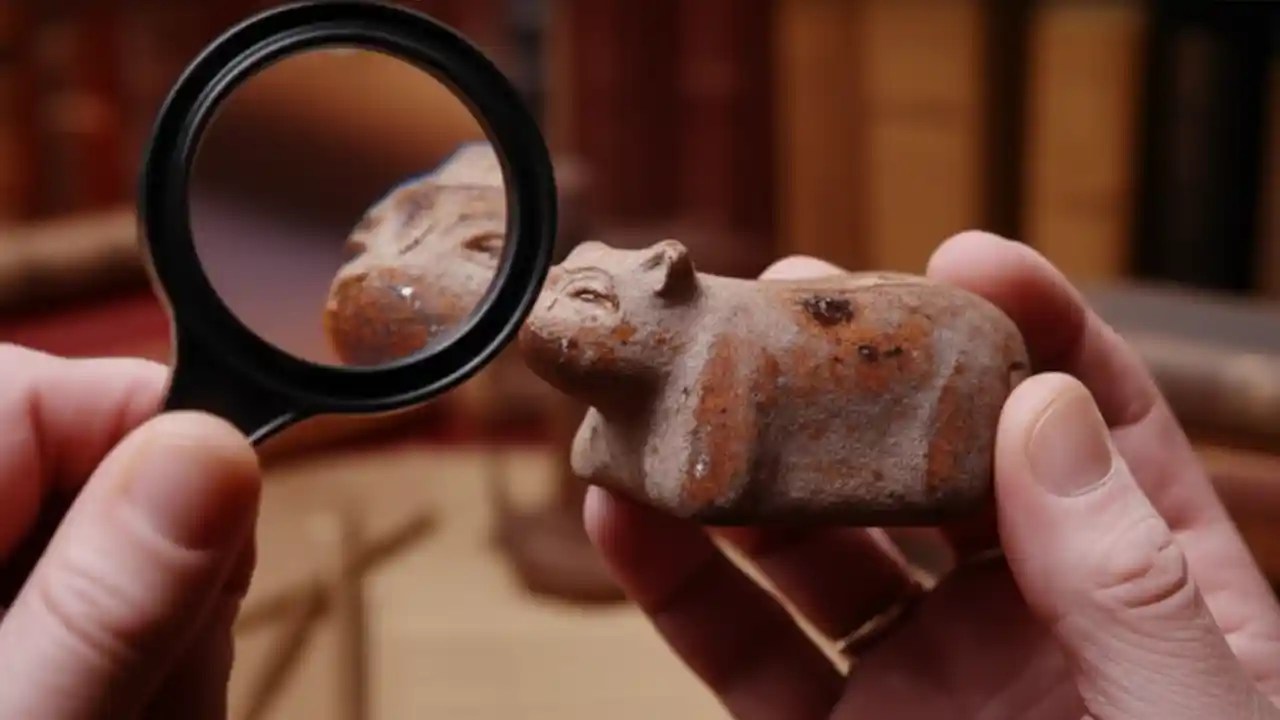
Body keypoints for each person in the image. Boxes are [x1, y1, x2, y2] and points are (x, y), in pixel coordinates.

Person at [0, 231, 1276, 719]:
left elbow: (713, 483)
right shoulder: (654, 375)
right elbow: (646, 464)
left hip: (941, 378)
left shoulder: (716, 349)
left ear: (660, 290)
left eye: (582, 298)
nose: (548, 318)